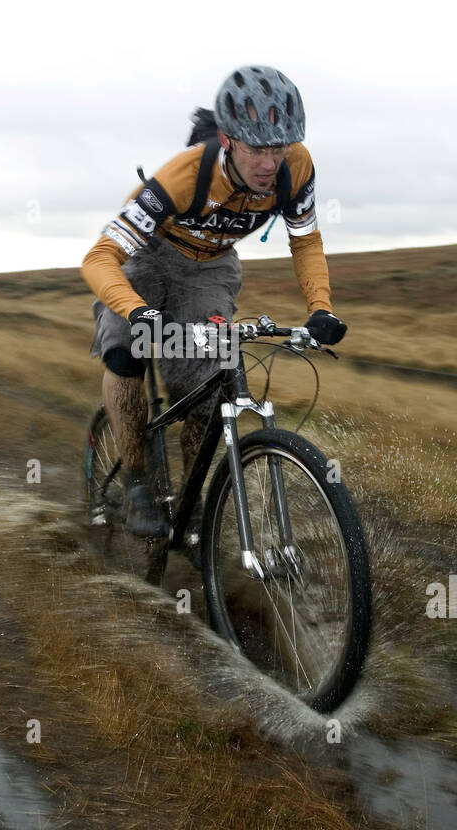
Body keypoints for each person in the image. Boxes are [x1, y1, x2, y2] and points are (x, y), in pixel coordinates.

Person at [81, 65, 347, 546]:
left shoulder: (297, 168)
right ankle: (138, 482)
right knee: (127, 351)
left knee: (209, 388)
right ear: (227, 139)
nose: (270, 163)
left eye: (279, 147)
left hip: (209, 266)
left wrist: (320, 308)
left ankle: (191, 499)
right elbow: (100, 257)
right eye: (256, 149)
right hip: (146, 257)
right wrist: (138, 311)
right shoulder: (180, 179)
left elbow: (305, 240)